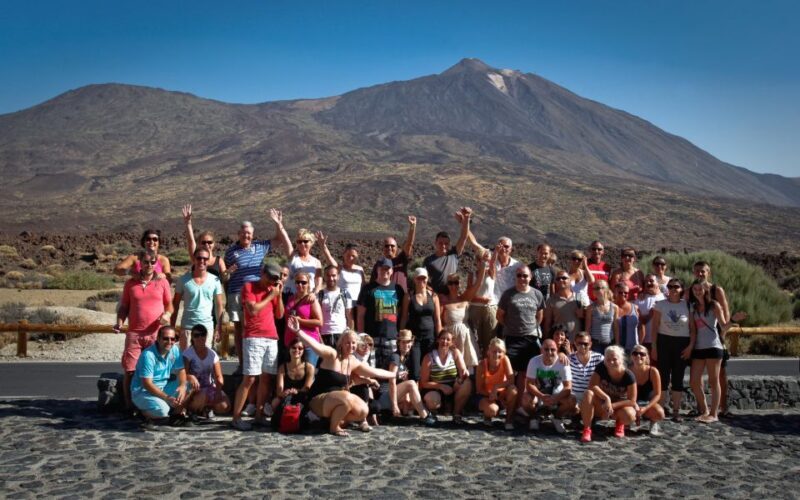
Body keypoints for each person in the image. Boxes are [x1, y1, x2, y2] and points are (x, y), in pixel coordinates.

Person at [290, 321, 396, 437]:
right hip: (318, 400)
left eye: (354, 343)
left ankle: (332, 420)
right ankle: (334, 427)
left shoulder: (353, 361)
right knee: (346, 397)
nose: (351, 346)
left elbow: (375, 372)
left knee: (363, 410)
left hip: (338, 401)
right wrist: (298, 331)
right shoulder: (332, 354)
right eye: (348, 343)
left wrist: (393, 374)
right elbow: (315, 345)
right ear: (341, 343)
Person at [224, 212, 291, 371]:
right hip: (237, 292)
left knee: (255, 327)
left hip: (257, 292)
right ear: (239, 234)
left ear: (253, 235)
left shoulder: (260, 246)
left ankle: (258, 364)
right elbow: (226, 274)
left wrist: (278, 224)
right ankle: (242, 365)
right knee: (239, 328)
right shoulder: (231, 252)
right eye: (243, 232)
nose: (246, 235)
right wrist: (227, 277)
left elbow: (279, 239)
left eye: (249, 233)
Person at [115, 249, 173, 413]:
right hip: (135, 333)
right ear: (140, 262)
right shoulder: (130, 283)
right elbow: (124, 306)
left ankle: (149, 404)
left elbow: (169, 304)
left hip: (155, 333)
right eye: (146, 262)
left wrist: (167, 315)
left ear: (157, 263)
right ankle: (129, 406)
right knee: (131, 370)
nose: (149, 265)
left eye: (152, 262)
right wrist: (119, 322)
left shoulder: (162, 282)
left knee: (153, 372)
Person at [231, 263, 285, 431]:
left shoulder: (273, 290)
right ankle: (236, 417)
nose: (272, 281)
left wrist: (279, 295)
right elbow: (252, 310)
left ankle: (259, 415)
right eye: (270, 277)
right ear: (262, 273)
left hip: (271, 337)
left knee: (266, 377)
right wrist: (270, 296)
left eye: (275, 279)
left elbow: (280, 314)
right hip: (254, 337)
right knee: (250, 378)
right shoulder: (249, 286)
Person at [688, 280, 746, 423]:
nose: (697, 292)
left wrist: (732, 319)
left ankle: (714, 414)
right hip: (699, 348)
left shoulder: (714, 305)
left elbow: (723, 327)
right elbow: (693, 331)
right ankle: (705, 410)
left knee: (714, 381)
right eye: (695, 289)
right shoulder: (693, 307)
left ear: (705, 290)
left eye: (700, 289)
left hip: (714, 346)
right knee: (694, 382)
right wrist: (690, 347)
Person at [688, 261, 733, 418]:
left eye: (703, 271)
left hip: (716, 339)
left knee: (719, 375)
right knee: (696, 378)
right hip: (699, 342)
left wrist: (722, 335)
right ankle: (702, 408)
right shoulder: (692, 290)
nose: (700, 274)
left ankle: (722, 408)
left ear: (709, 272)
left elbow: (725, 313)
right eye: (697, 271)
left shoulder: (716, 290)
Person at [130, 326, 192, 428]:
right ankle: (142, 413)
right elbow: (147, 384)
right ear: (158, 339)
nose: (169, 341)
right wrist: (167, 398)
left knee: (189, 385)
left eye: (173, 339)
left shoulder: (175, 350)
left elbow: (181, 370)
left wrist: (182, 386)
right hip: (143, 391)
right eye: (165, 338)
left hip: (163, 387)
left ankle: (175, 415)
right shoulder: (148, 355)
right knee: (163, 411)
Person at [496, 265, 545, 392]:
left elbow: (539, 315)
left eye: (525, 276)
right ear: (515, 277)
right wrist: (510, 326)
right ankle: (508, 401)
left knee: (525, 372)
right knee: (510, 372)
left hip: (530, 338)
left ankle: (521, 402)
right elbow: (499, 315)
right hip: (512, 337)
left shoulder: (537, 294)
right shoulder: (508, 294)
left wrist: (533, 327)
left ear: (530, 277)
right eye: (519, 275)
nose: (522, 278)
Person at [651, 278, 693, 421]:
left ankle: (676, 410)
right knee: (663, 378)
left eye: (677, 287)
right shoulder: (660, 305)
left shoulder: (687, 306)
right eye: (671, 287)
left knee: (678, 378)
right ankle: (661, 410)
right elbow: (655, 327)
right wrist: (654, 347)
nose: (673, 289)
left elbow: (693, 329)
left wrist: (690, 347)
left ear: (682, 289)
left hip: (682, 343)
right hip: (664, 342)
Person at [579, 345, 637, 442]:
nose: (611, 362)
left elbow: (632, 400)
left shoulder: (628, 375)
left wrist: (611, 406)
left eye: (614, 359)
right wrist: (606, 398)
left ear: (621, 359)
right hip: (602, 403)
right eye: (608, 359)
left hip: (619, 406)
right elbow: (592, 386)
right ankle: (587, 429)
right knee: (588, 393)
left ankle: (620, 423)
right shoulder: (601, 367)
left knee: (630, 415)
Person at [170, 247, 224, 350]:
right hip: (187, 327)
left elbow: (219, 305)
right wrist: (172, 327)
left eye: (205, 258)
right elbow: (175, 305)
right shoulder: (183, 280)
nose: (202, 261)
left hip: (206, 328)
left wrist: (219, 328)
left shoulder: (215, 280)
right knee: (186, 363)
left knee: (204, 363)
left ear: (208, 261)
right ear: (194, 259)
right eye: (199, 258)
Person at [379, 329, 436, 425]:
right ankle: (424, 415)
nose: (406, 345)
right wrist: (394, 405)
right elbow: (392, 381)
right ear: (398, 343)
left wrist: (407, 401)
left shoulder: (404, 359)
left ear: (412, 342)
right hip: (384, 397)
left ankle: (415, 412)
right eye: (403, 342)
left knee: (411, 392)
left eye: (408, 342)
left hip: (393, 395)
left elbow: (403, 382)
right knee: (411, 383)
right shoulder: (395, 357)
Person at [357, 257, 406, 370]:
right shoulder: (368, 289)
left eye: (388, 269)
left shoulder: (398, 289)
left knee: (390, 371)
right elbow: (360, 316)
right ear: (377, 270)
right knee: (371, 369)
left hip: (391, 338)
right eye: (382, 268)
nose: (385, 271)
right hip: (371, 338)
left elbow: (401, 313)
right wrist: (362, 337)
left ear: (392, 271)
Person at [520, 339, 576, 434]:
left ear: (557, 350)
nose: (549, 352)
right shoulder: (534, 361)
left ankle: (557, 418)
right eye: (546, 349)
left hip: (557, 395)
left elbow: (568, 387)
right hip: (539, 394)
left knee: (572, 400)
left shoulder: (563, 362)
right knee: (525, 398)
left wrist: (555, 398)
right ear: (541, 350)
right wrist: (541, 396)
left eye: (552, 349)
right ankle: (534, 417)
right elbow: (529, 384)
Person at [419, 329, 472, 423]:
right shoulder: (429, 357)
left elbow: (462, 371)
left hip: (453, 388)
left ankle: (456, 414)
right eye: (443, 339)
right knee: (432, 399)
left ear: (452, 342)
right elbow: (424, 383)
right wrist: (441, 386)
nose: (445, 342)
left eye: (448, 339)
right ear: (438, 340)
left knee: (467, 383)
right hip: (435, 389)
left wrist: (464, 374)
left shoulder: (455, 353)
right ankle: (434, 411)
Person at [439, 264, 485, 372]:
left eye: (456, 282)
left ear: (459, 284)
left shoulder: (465, 298)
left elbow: (478, 284)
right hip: (451, 337)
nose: (453, 286)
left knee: (468, 365)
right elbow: (439, 322)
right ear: (447, 285)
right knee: (452, 364)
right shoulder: (443, 301)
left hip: (466, 336)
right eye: (450, 283)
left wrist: (483, 265)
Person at [400, 267, 441, 379]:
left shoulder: (434, 296)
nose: (421, 281)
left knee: (430, 368)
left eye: (424, 278)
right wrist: (401, 337)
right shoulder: (409, 296)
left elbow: (437, 319)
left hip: (430, 338)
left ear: (427, 279)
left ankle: (427, 394)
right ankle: (415, 394)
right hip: (415, 339)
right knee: (415, 370)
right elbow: (404, 317)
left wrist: (440, 338)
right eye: (419, 278)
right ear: (414, 279)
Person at [183, 325, 230, 417]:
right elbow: (182, 374)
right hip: (193, 389)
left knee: (225, 407)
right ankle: (191, 409)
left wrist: (218, 391)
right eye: (197, 335)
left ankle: (205, 409)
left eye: (203, 334)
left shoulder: (212, 354)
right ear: (192, 337)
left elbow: (219, 376)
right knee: (202, 396)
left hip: (209, 386)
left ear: (206, 336)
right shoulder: (187, 354)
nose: (200, 337)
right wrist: (190, 376)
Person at [423, 208, 471, 295]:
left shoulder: (454, 254)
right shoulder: (428, 260)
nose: (443, 246)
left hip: (452, 296)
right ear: (435, 243)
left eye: (446, 243)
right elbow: (422, 280)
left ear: (449, 244)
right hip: (437, 298)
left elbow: (464, 236)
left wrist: (466, 218)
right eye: (440, 243)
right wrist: (433, 293)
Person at [475, 338, 517, 430]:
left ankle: (509, 420)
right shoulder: (482, 365)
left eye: (500, 351)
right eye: (494, 351)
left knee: (513, 390)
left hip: (500, 393)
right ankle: (487, 416)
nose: (497, 354)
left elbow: (511, 380)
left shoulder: (505, 359)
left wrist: (496, 388)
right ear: (488, 352)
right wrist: (493, 395)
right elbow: (479, 389)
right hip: (485, 395)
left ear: (504, 353)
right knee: (492, 410)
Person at [284, 271, 323, 367]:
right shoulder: (290, 298)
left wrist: (300, 321)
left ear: (309, 284)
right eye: (297, 282)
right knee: (293, 373)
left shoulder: (311, 300)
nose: (300, 284)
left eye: (303, 282)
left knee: (309, 374)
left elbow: (319, 322)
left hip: (308, 343)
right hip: (291, 342)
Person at [370, 215, 417, 292]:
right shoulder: (378, 264)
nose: (389, 248)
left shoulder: (401, 259)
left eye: (392, 246)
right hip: (384, 300)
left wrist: (412, 226)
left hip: (401, 300)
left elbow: (409, 244)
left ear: (397, 248)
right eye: (387, 246)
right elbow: (372, 284)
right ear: (383, 248)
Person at [318, 234, 365, 308]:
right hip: (344, 304)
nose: (350, 258)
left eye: (353, 256)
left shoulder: (360, 269)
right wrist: (323, 246)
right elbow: (329, 257)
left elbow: (363, 288)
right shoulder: (339, 268)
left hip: (358, 304)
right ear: (343, 254)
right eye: (348, 255)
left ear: (357, 256)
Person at [270, 336, 314, 414]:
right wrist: (285, 393)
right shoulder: (282, 367)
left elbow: (307, 388)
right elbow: (279, 391)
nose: (297, 350)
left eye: (300, 348)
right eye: (294, 347)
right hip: (286, 397)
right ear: (289, 349)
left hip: (302, 396)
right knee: (275, 402)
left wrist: (297, 391)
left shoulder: (309, 367)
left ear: (303, 351)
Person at [182, 204, 227, 278]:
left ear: (214, 244)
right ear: (199, 244)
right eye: (203, 242)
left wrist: (228, 273)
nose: (206, 244)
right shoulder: (196, 258)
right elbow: (191, 241)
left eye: (209, 242)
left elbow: (225, 277)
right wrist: (188, 223)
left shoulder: (218, 261)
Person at [543, 270, 588, 343]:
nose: (561, 280)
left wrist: (583, 315)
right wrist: (547, 342)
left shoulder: (579, 298)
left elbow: (588, 320)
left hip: (577, 343)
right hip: (560, 343)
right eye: (558, 279)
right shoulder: (551, 301)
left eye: (564, 278)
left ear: (570, 281)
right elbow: (547, 324)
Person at [467, 249, 497, 358]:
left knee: (489, 339)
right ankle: (476, 367)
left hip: (490, 309)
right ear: (478, 261)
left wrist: (496, 252)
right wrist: (481, 300)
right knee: (475, 339)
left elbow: (493, 262)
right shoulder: (472, 275)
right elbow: (468, 295)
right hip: (475, 309)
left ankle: (488, 363)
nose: (486, 263)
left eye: (488, 260)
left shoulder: (491, 273)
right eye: (483, 260)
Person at [629, 344, 664, 436]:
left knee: (659, 413)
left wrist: (645, 408)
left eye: (642, 354)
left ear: (647, 357)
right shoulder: (627, 371)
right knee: (627, 413)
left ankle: (653, 422)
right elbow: (624, 393)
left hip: (647, 404)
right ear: (631, 356)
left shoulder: (653, 371)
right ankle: (627, 421)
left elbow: (657, 394)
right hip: (631, 403)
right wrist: (635, 406)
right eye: (635, 353)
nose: (638, 356)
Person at [317, 265, 353, 348]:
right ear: (324, 277)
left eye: (333, 275)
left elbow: (350, 317)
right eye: (328, 276)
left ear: (338, 276)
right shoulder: (319, 295)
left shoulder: (345, 294)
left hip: (341, 334)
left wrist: (349, 336)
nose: (331, 278)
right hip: (324, 334)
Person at [568, 332, 604, 407]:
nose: (582, 346)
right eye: (579, 343)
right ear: (574, 343)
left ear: (590, 344)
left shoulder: (599, 358)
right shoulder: (569, 358)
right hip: (574, 398)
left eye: (585, 344)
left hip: (592, 396)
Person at [584, 280, 618, 354]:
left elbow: (616, 327)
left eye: (601, 288)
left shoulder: (615, 307)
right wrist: (586, 343)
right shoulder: (590, 308)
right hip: (595, 343)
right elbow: (588, 327)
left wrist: (617, 344)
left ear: (607, 289)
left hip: (610, 343)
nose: (599, 290)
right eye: (596, 288)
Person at [285, 229, 323, 294]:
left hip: (308, 298)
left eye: (305, 241)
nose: (302, 244)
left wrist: (314, 295)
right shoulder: (292, 257)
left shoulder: (316, 262)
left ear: (311, 243)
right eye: (299, 241)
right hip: (291, 296)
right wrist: (280, 226)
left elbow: (318, 283)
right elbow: (285, 239)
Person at [635, 274, 665, 352]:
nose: (648, 283)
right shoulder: (639, 299)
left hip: (661, 341)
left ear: (658, 283)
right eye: (646, 282)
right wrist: (650, 315)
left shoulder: (665, 299)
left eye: (651, 281)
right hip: (643, 341)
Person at [613, 282, 643, 353]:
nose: (623, 294)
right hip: (615, 348)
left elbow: (641, 327)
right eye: (620, 292)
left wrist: (639, 344)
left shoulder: (635, 308)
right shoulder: (610, 307)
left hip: (633, 349)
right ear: (615, 293)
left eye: (626, 292)